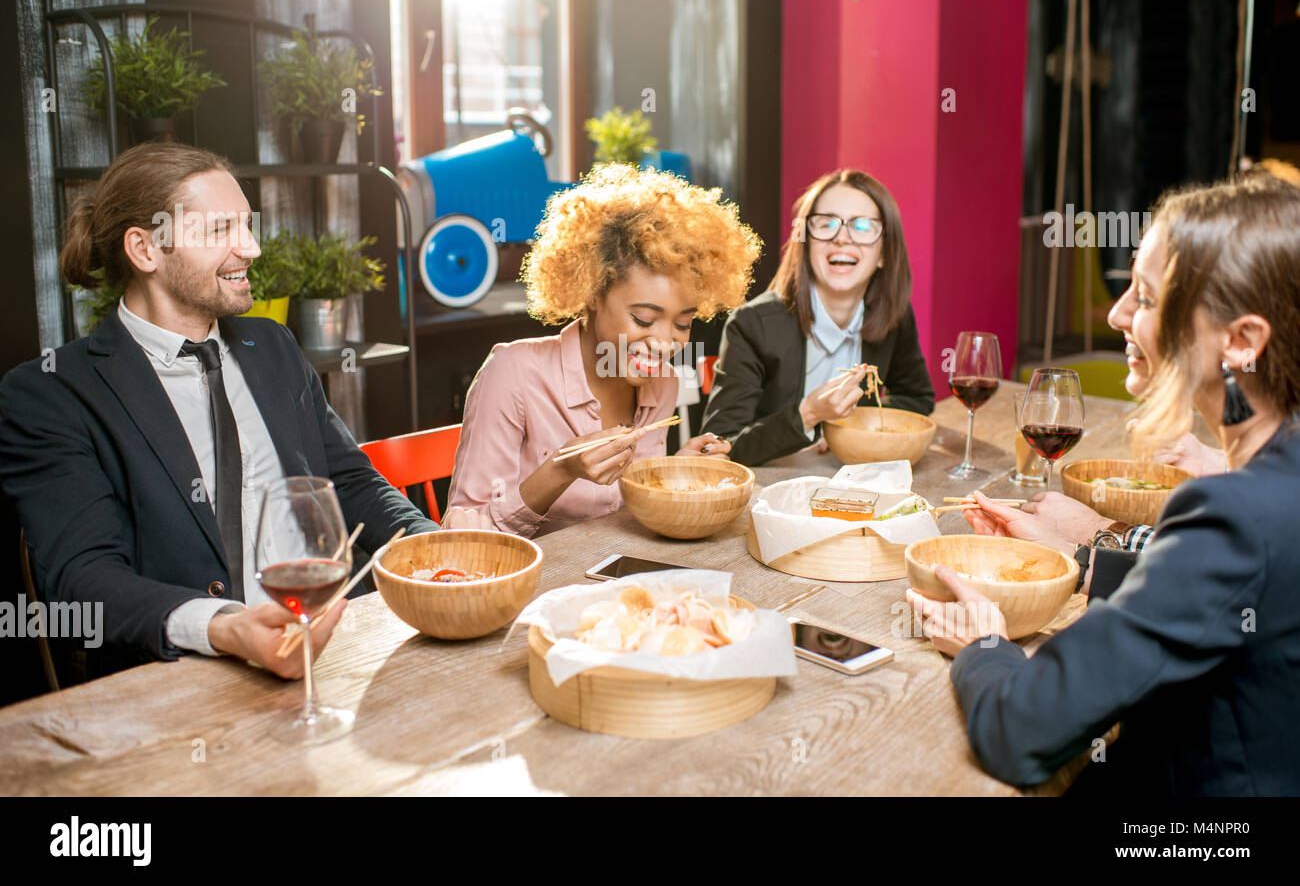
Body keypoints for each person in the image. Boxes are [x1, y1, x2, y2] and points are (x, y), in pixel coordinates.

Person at [907, 174, 1300, 794]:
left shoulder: (1234, 513)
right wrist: (1088, 560)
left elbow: (1021, 729)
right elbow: (1226, 603)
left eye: (1145, 298)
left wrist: (984, 641)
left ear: (1241, 342)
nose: (1117, 314)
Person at [0, 142, 440, 682]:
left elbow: (350, 482)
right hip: (182, 679)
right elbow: (83, 581)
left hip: (335, 645)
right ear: (144, 250)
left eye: (247, 226)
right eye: (219, 231)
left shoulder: (273, 346)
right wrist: (226, 627)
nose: (251, 249)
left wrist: (433, 546)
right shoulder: (51, 393)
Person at [446, 163, 762, 537]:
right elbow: (469, 536)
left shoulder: (663, 383)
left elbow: (625, 513)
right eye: (644, 320)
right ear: (594, 294)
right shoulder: (513, 373)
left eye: (682, 324)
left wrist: (671, 474)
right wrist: (561, 470)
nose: (664, 344)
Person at [701, 169, 934, 467]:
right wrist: (808, 415)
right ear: (807, 243)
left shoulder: (894, 316)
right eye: (826, 224)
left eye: (863, 226)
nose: (841, 238)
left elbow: (917, 399)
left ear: (884, 254)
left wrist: (846, 426)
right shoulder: (751, 325)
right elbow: (720, 442)